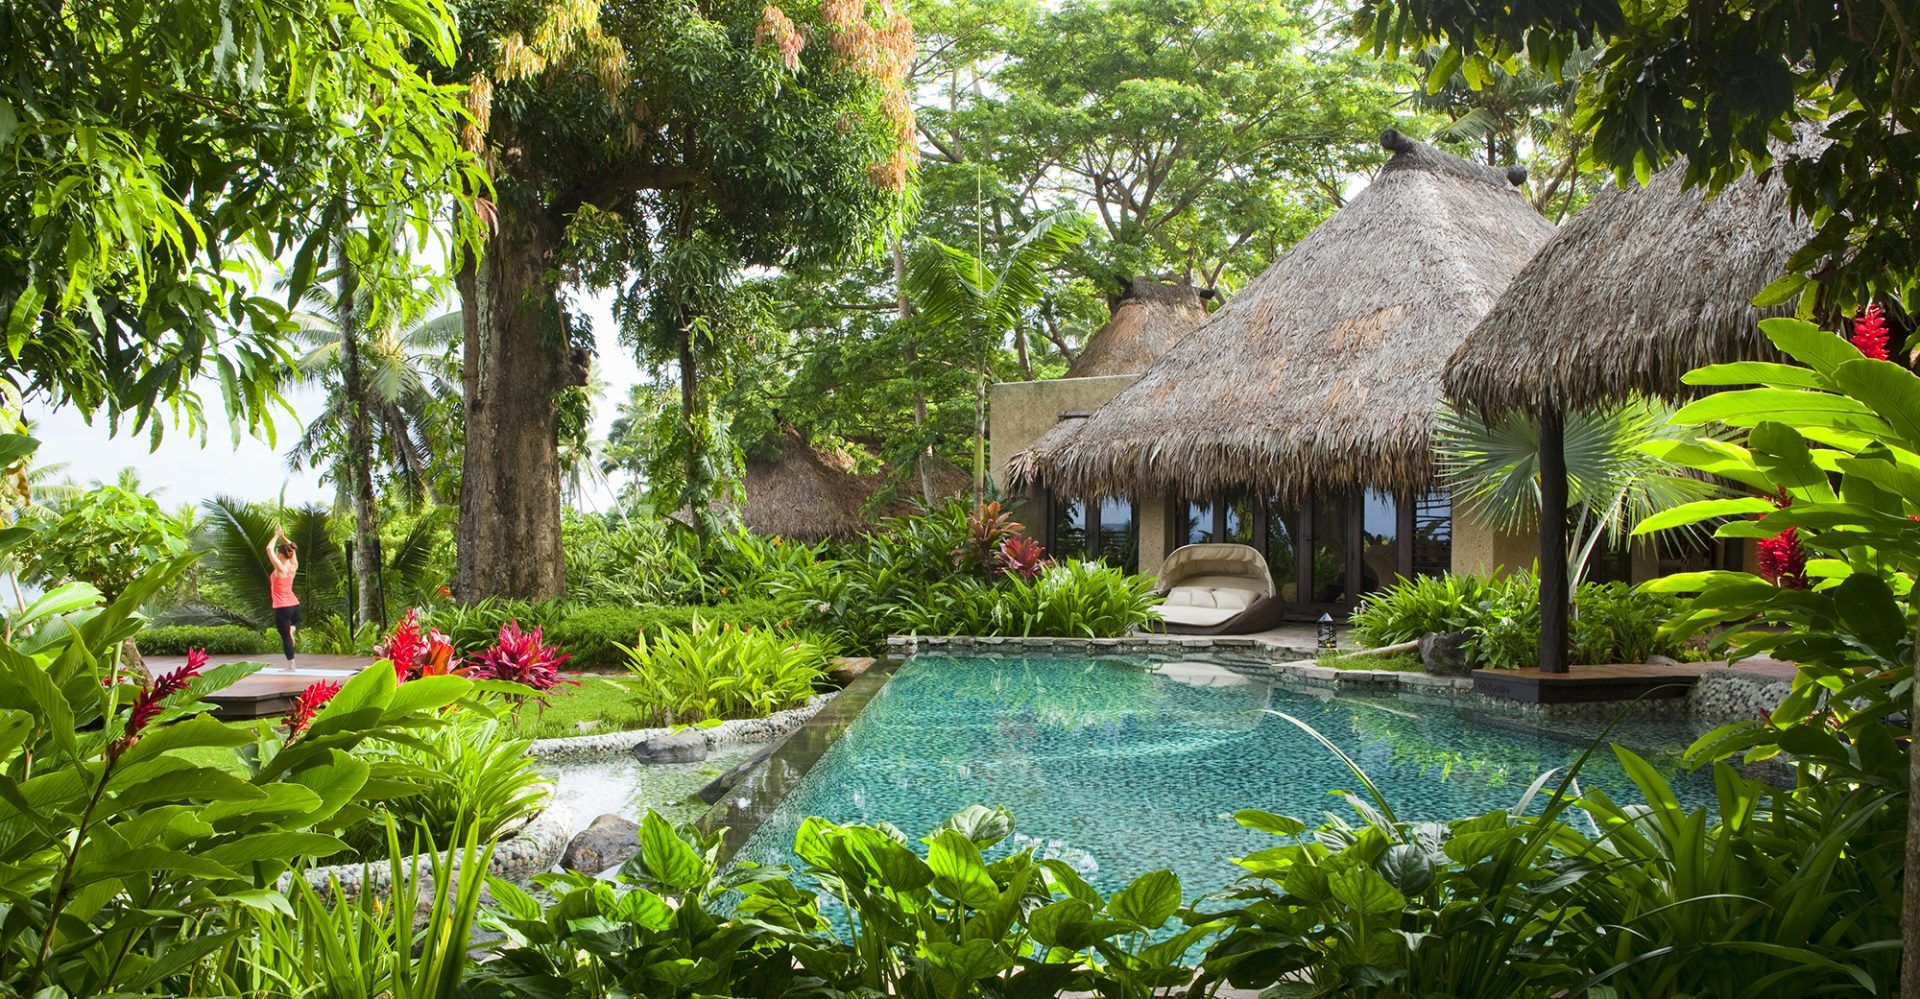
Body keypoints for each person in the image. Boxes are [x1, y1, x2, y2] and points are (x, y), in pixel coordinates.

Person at [267, 524, 302, 668]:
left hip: (282, 608)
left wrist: (276, 535)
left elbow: (268, 548)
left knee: (285, 638)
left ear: (280, 554)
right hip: (295, 605)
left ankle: (292, 666)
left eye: (277, 552)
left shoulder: (280, 569)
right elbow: (292, 551)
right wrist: (283, 537)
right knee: (296, 623)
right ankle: (293, 629)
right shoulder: (293, 566)